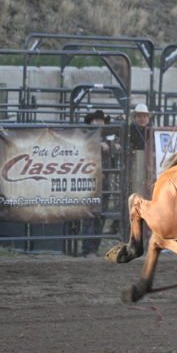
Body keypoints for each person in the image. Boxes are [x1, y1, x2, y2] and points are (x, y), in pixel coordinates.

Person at [79, 109, 111, 257]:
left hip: (103, 180)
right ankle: (88, 248)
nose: (99, 123)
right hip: (90, 179)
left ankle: (93, 248)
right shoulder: (86, 136)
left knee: (100, 214)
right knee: (90, 213)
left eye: (101, 120)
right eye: (96, 120)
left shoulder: (108, 137)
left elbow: (115, 148)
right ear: (91, 122)